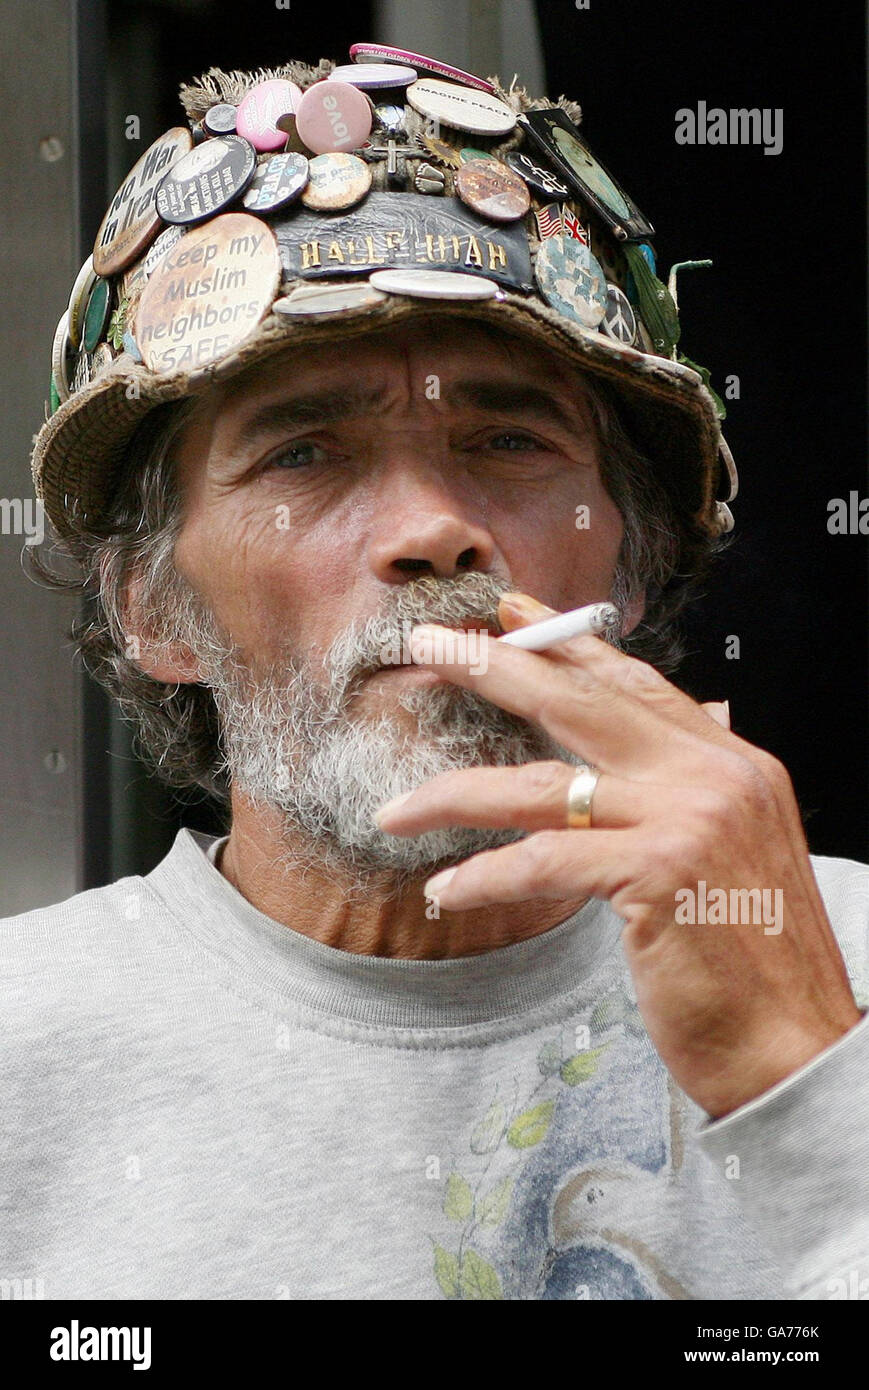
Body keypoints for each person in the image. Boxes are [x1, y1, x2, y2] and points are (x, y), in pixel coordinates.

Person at [5, 48, 868, 1302]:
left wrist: (807, 1076)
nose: (432, 530)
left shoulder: (839, 956)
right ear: (151, 608)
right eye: (304, 454)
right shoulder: (22, 1049)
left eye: (507, 439)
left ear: (628, 564)